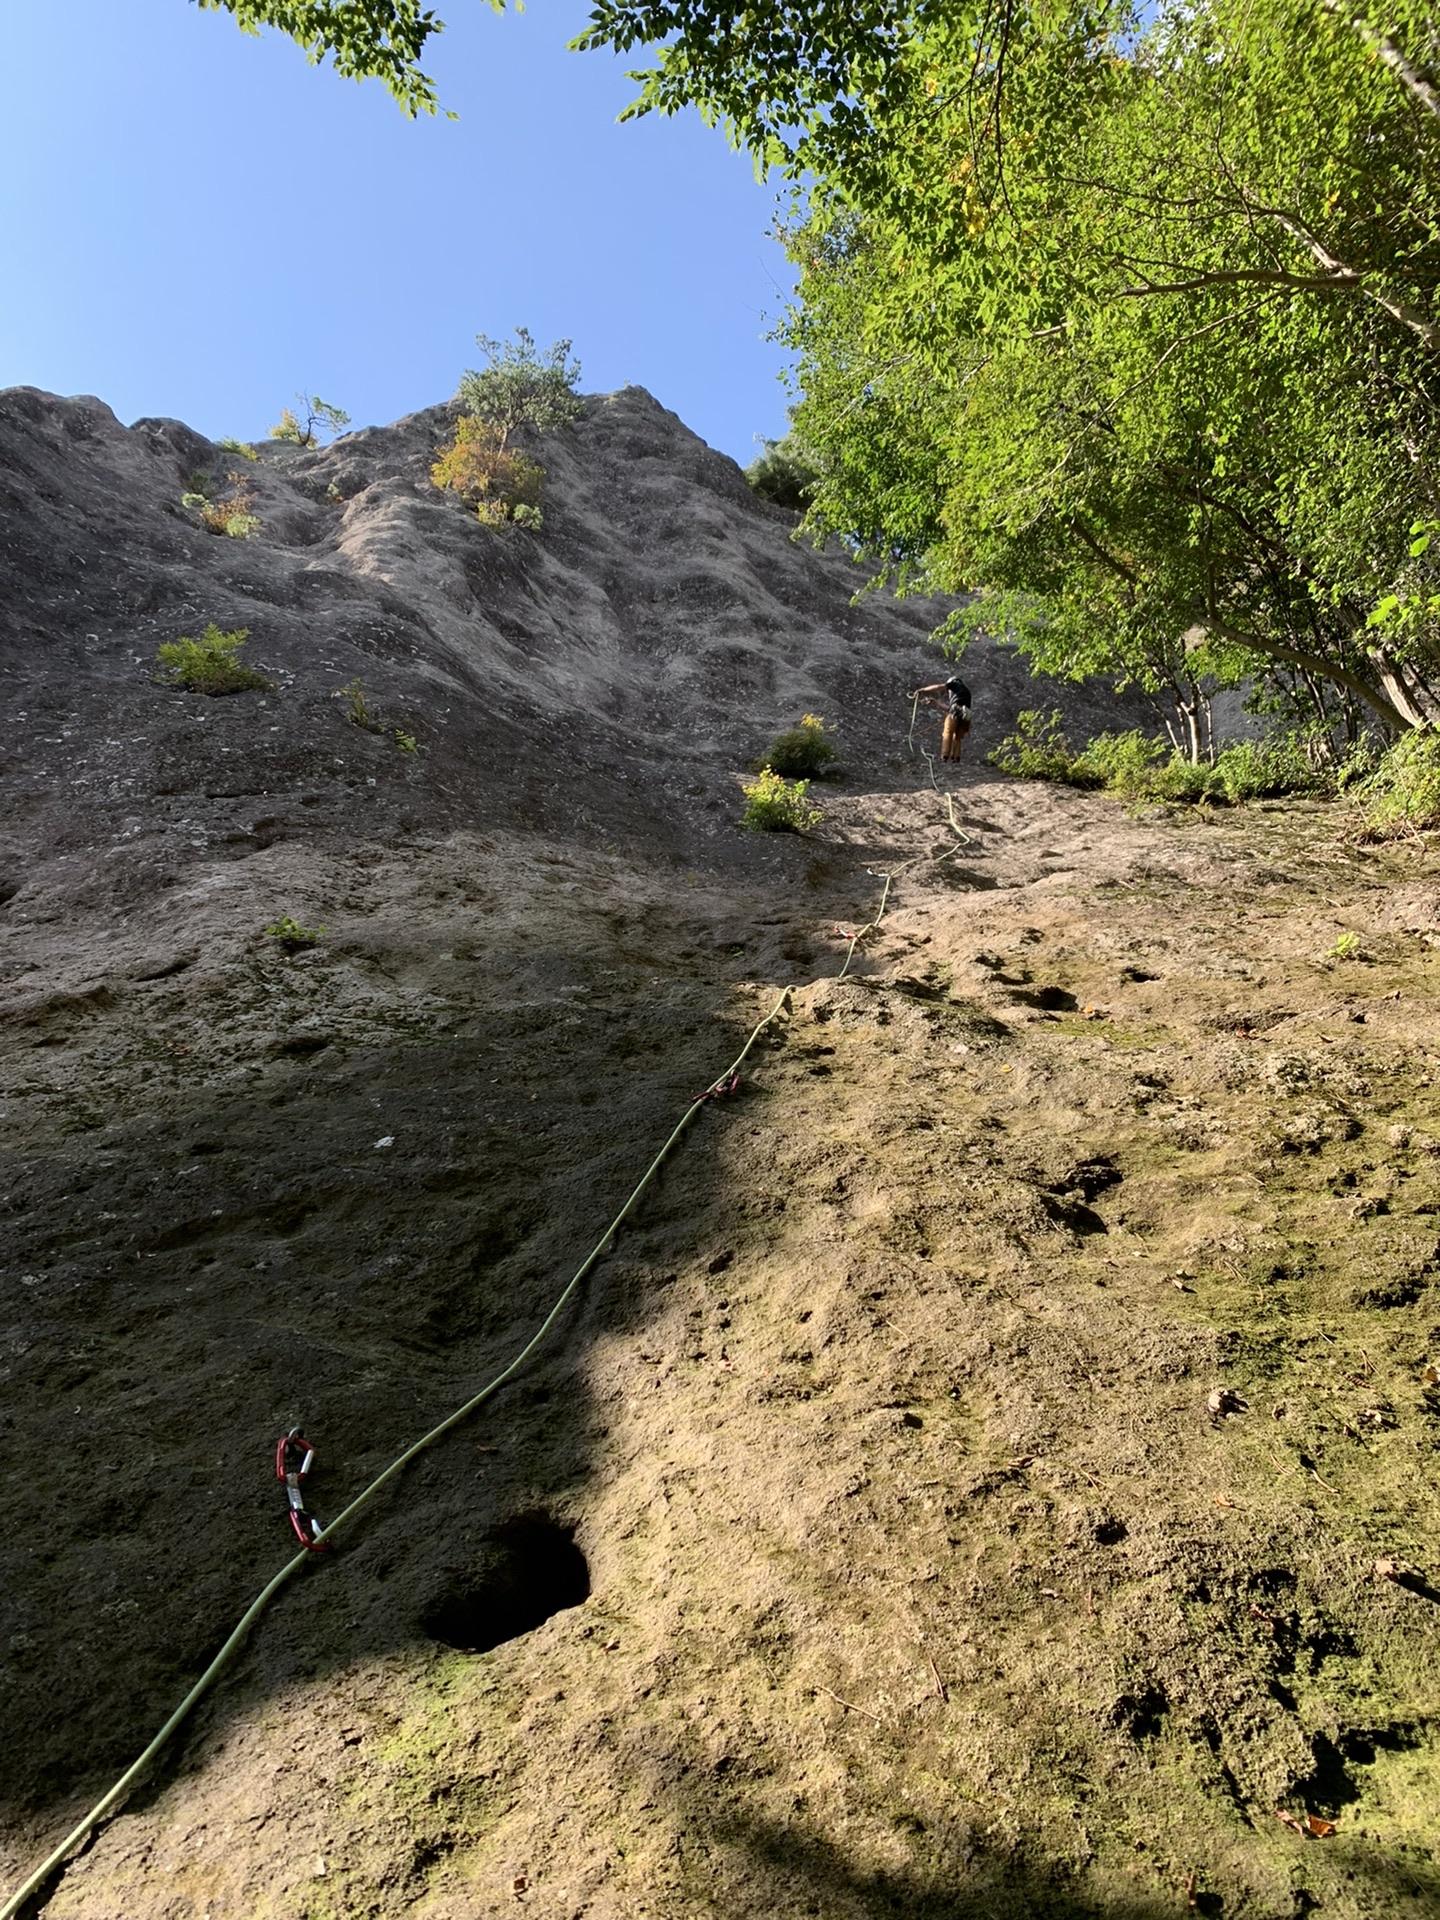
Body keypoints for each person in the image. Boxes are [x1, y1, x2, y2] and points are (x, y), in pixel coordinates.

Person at [913, 673, 972, 762]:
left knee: (947, 732)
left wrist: (923, 690)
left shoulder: (955, 684)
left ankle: (944, 756)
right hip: (966, 716)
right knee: (958, 737)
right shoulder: (966, 692)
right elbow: (950, 708)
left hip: (955, 712)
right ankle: (956, 757)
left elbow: (938, 687)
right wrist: (936, 702)